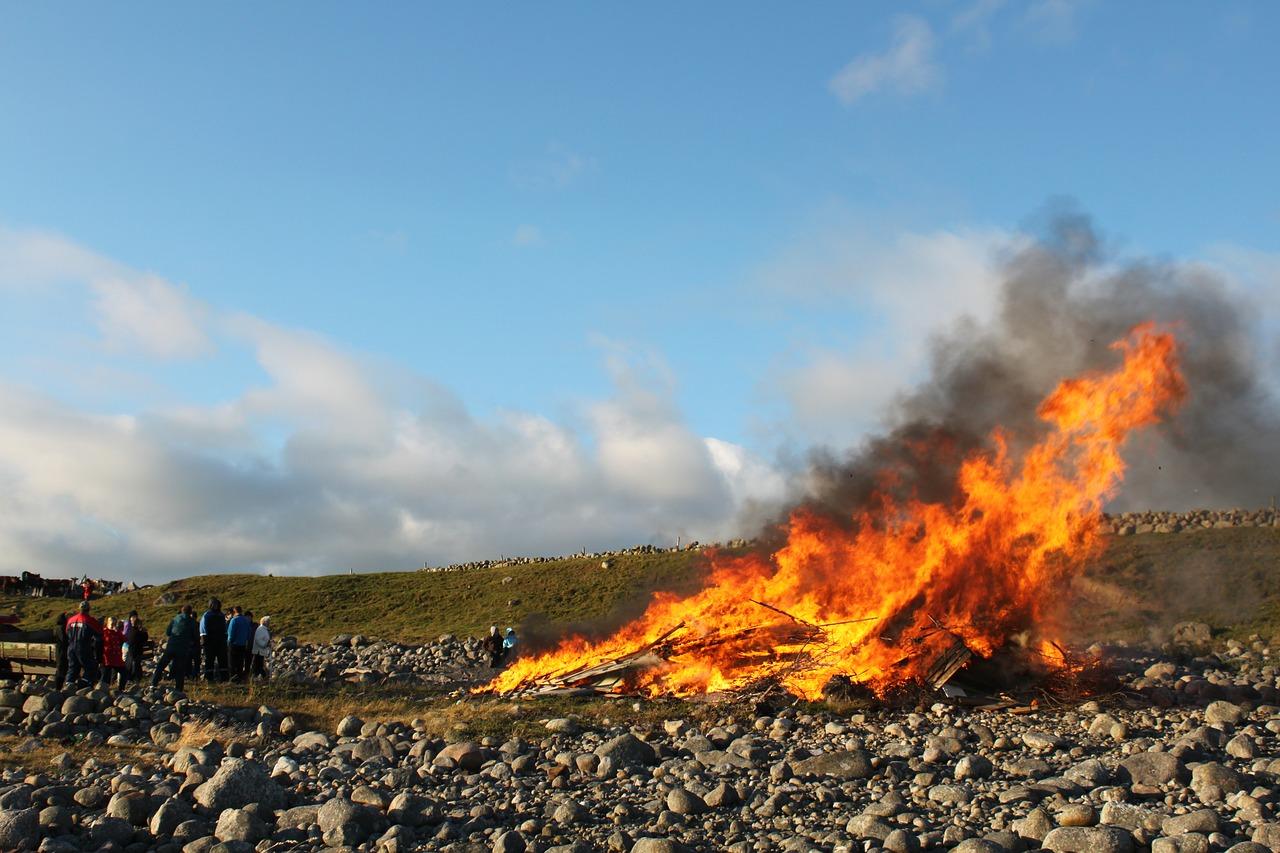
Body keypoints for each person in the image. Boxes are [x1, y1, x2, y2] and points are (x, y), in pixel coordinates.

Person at [149, 604, 197, 692]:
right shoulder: (192, 621)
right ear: (190, 612)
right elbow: (195, 636)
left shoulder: (175, 619)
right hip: (182, 648)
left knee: (161, 665)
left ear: (182, 611)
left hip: (171, 646)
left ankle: (153, 683)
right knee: (180, 669)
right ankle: (178, 689)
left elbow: (168, 632)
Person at [64, 601, 103, 687]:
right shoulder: (89, 620)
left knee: (73, 668)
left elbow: (66, 632)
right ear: (88, 609)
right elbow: (99, 635)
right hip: (84, 647)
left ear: (79, 609)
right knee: (90, 668)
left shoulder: (70, 620)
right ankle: (83, 687)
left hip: (71, 647)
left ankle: (68, 687)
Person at [199, 598, 229, 682]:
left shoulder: (207, 615)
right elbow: (225, 629)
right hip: (218, 642)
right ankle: (223, 678)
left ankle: (210, 678)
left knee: (210, 661)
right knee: (220, 660)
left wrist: (204, 641)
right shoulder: (221, 615)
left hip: (211, 642)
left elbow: (202, 630)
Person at [226, 606, 252, 682]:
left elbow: (231, 633)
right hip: (243, 644)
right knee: (240, 663)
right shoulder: (246, 620)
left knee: (232, 663)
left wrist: (229, 642)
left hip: (234, 644)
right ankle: (239, 678)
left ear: (235, 612)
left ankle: (233, 679)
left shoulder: (234, 620)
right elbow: (249, 633)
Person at [100, 616, 126, 689]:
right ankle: (103, 690)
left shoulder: (117, 632)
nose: (113, 625)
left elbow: (124, 639)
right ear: (107, 623)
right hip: (107, 657)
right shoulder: (104, 632)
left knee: (124, 673)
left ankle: (121, 688)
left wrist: (118, 632)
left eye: (114, 623)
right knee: (106, 675)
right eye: (111, 623)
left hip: (117, 658)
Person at [121, 611, 140, 687]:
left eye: (136, 616)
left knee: (126, 664)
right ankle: (125, 679)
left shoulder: (129, 624)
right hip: (127, 646)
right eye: (134, 616)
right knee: (125, 664)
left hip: (127, 646)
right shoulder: (128, 624)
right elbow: (125, 635)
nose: (135, 618)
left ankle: (125, 679)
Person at [251, 615, 272, 680]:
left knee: (259, 664)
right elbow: (258, 639)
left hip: (261, 651)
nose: (269, 623)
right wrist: (266, 644)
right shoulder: (261, 629)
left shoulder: (264, 629)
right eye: (268, 622)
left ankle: (262, 676)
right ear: (264, 622)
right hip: (259, 651)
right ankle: (261, 676)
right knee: (258, 665)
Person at [52, 613, 68, 689]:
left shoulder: (56, 628)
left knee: (60, 668)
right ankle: (58, 686)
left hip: (59, 649)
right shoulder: (62, 628)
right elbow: (64, 639)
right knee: (61, 668)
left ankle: (58, 686)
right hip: (62, 650)